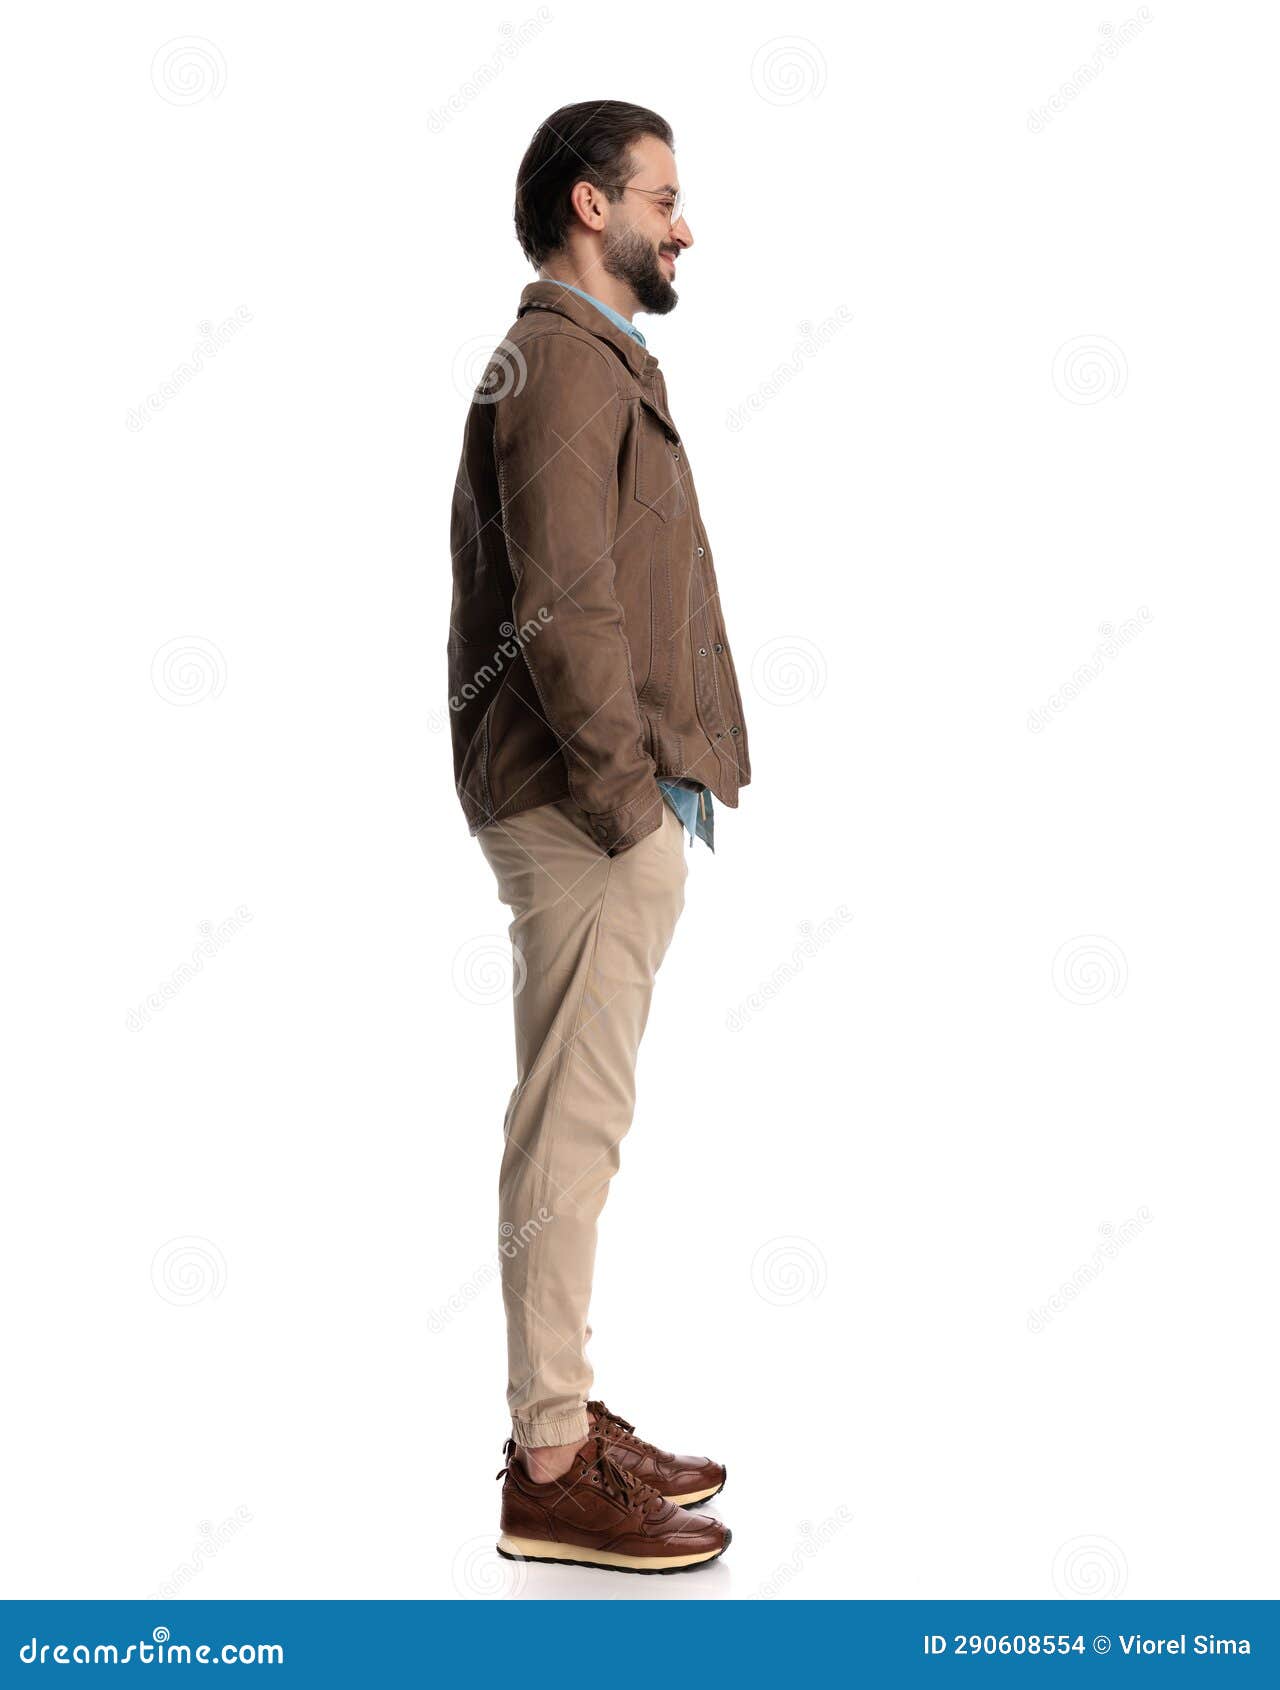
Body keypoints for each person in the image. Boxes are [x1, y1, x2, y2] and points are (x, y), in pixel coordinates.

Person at [448, 100, 751, 1573]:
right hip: (584, 808)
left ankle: (559, 1416)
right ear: (592, 205)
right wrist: (633, 806)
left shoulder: (578, 358)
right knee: (571, 1123)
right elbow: (563, 603)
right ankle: (550, 1461)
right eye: (665, 197)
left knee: (575, 1115)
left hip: (595, 798)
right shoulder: (565, 364)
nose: (684, 225)